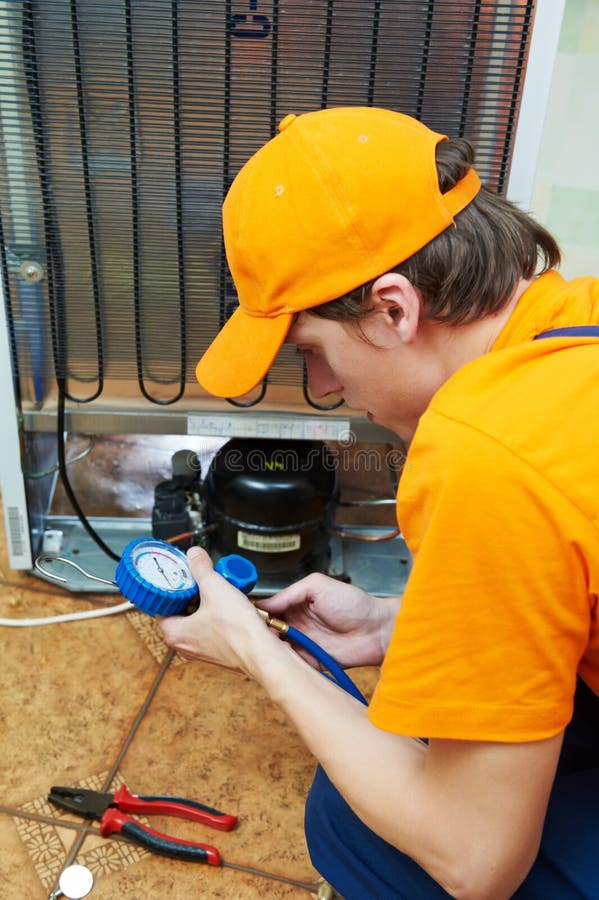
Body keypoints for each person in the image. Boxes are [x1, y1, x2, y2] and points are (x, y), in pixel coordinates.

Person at [158, 107, 599, 899]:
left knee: (357, 823)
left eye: (313, 353)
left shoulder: (485, 450)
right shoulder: (576, 326)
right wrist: (398, 626)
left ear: (393, 310)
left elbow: (476, 862)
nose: (326, 391)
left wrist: (258, 653)